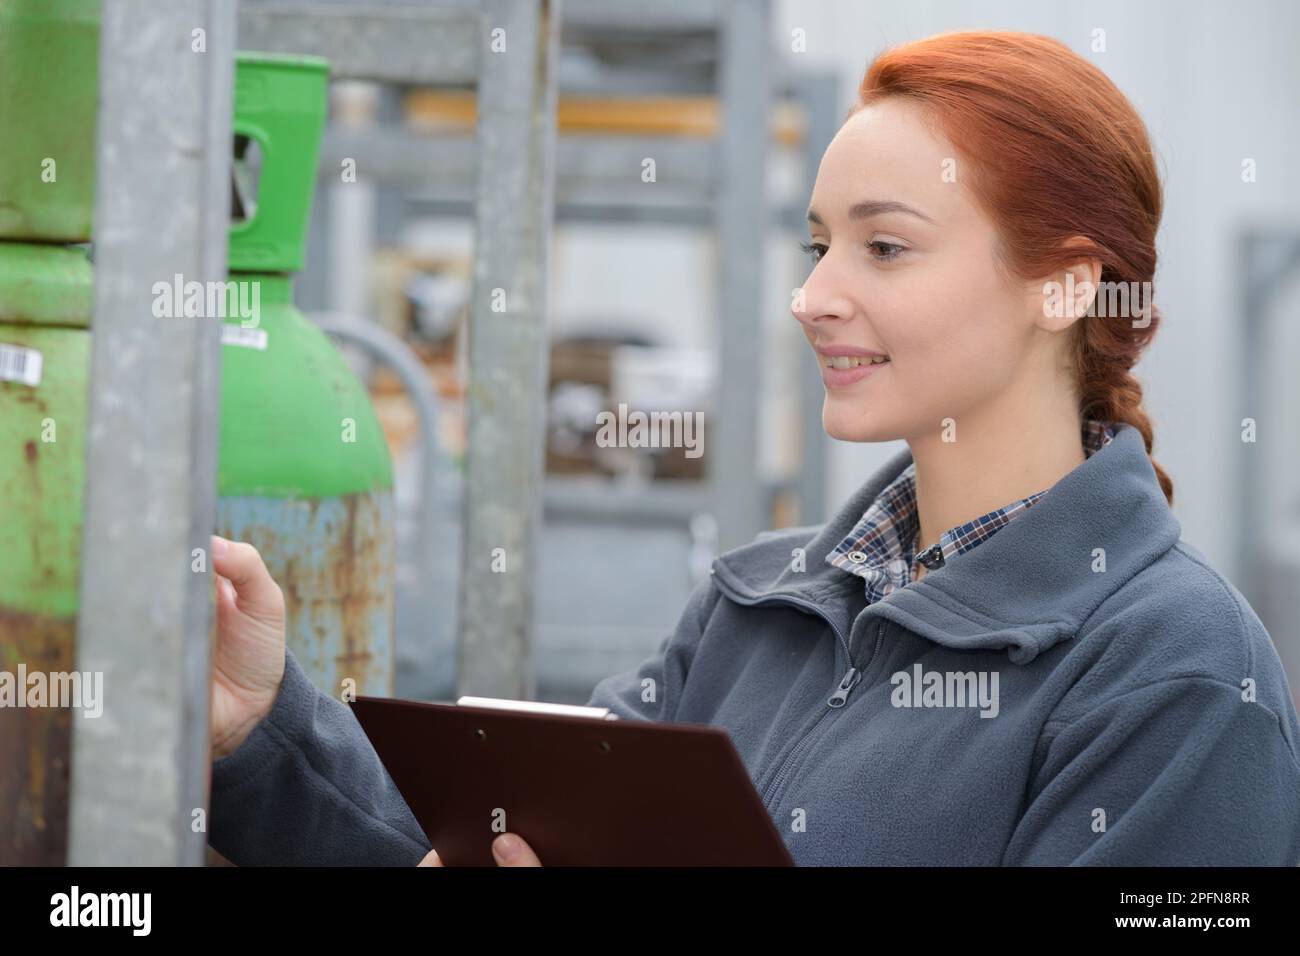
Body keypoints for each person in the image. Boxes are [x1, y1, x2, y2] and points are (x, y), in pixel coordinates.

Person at [207, 30, 1300, 866]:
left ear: (1064, 284)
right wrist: (262, 723)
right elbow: (483, 840)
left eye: (884, 246)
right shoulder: (757, 606)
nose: (813, 296)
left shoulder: (1178, 672)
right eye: (819, 246)